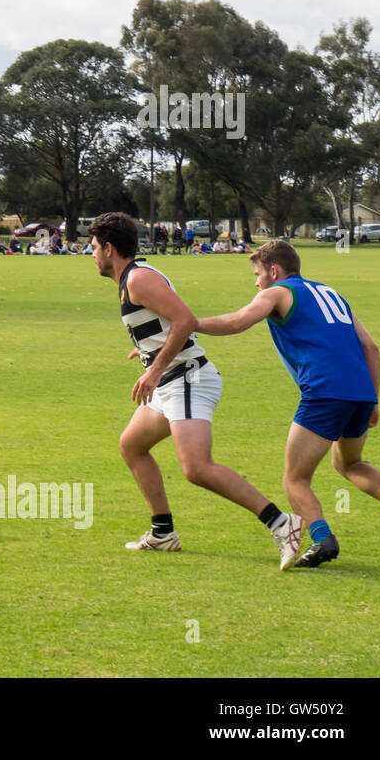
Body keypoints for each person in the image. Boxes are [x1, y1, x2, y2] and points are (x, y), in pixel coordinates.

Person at [86, 212, 303, 568]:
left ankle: (282, 523)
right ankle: (162, 532)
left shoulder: (138, 279)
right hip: (172, 380)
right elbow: (166, 324)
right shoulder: (131, 279)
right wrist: (147, 350)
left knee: (196, 468)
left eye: (94, 247)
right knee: (132, 445)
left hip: (187, 378)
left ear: (109, 248)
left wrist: (154, 369)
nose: (91, 254)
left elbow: (185, 320)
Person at [193, 240, 380, 568]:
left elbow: (236, 322)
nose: (256, 282)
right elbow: (370, 347)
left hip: (325, 393)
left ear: (274, 271)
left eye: (258, 274)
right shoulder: (331, 293)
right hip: (360, 392)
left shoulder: (277, 293)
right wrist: (372, 399)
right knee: (350, 464)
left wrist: (191, 324)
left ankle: (322, 537)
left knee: (294, 479)